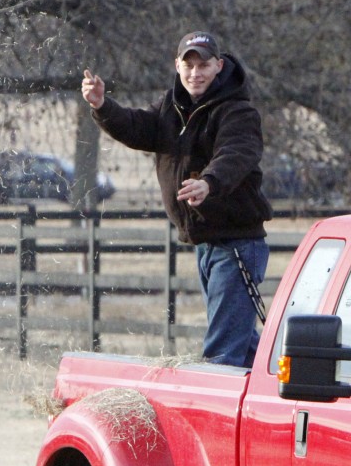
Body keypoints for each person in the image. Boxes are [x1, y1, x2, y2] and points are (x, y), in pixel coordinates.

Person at [81, 31, 272, 367]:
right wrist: (102, 105)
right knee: (242, 343)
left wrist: (209, 183)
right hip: (206, 243)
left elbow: (237, 154)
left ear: (219, 66)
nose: (195, 73)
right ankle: (287, 392)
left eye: (203, 65)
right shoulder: (171, 106)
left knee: (222, 352)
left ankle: (216, 416)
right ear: (177, 66)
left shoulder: (237, 111)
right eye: (189, 64)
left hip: (237, 244)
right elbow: (139, 127)